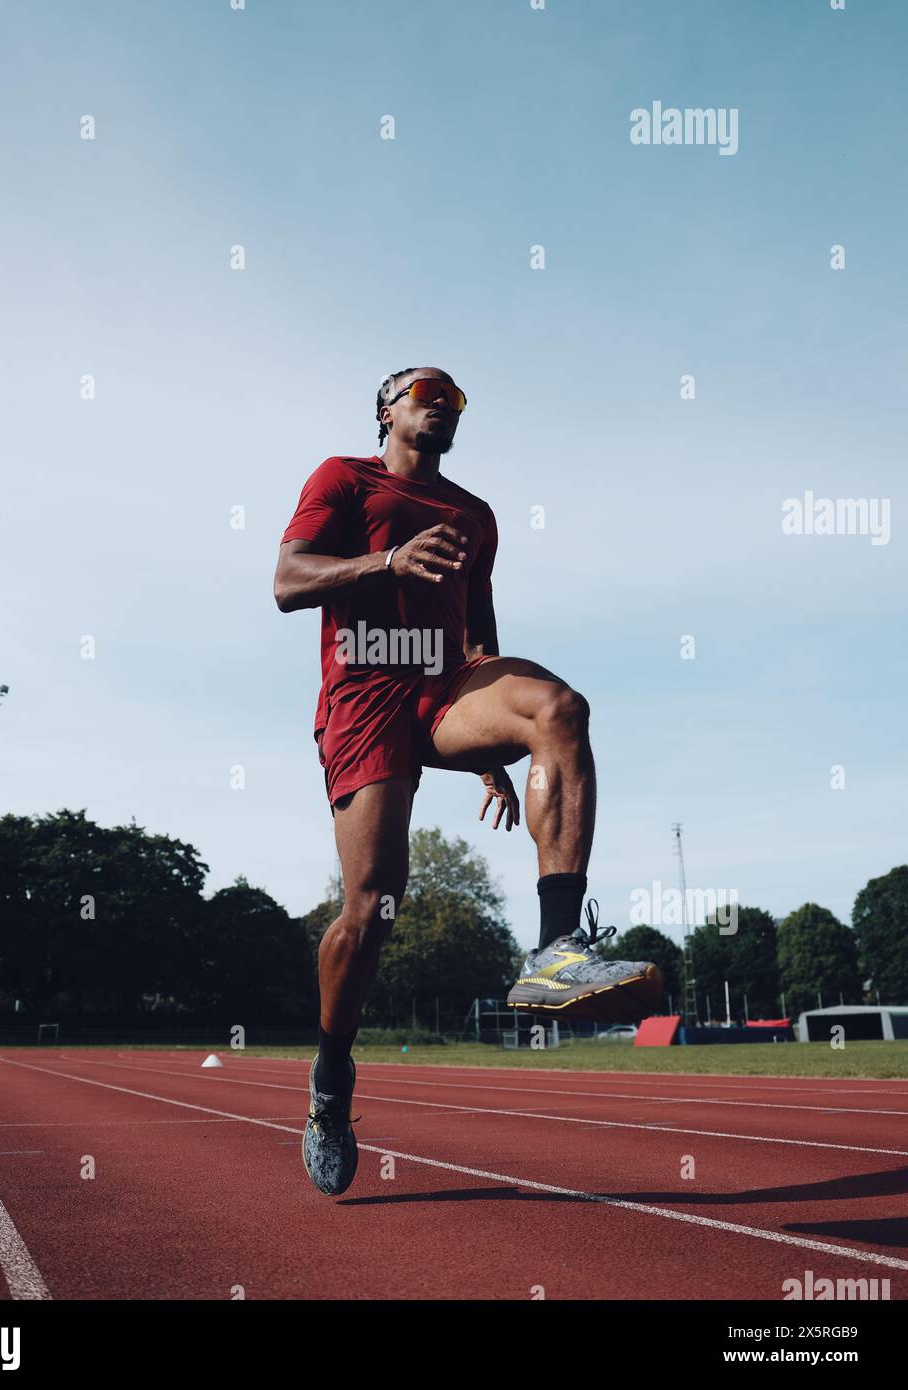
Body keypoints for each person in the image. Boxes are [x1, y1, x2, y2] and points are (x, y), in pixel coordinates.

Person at [274, 367, 661, 1195]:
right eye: (424, 392)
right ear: (387, 409)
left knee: (557, 709)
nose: (441, 403)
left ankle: (555, 949)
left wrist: (495, 743)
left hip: (445, 689)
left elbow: (478, 635)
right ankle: (331, 1077)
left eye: (455, 398)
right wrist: (386, 561)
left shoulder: (475, 515)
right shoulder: (343, 477)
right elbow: (287, 582)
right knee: (374, 906)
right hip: (366, 694)